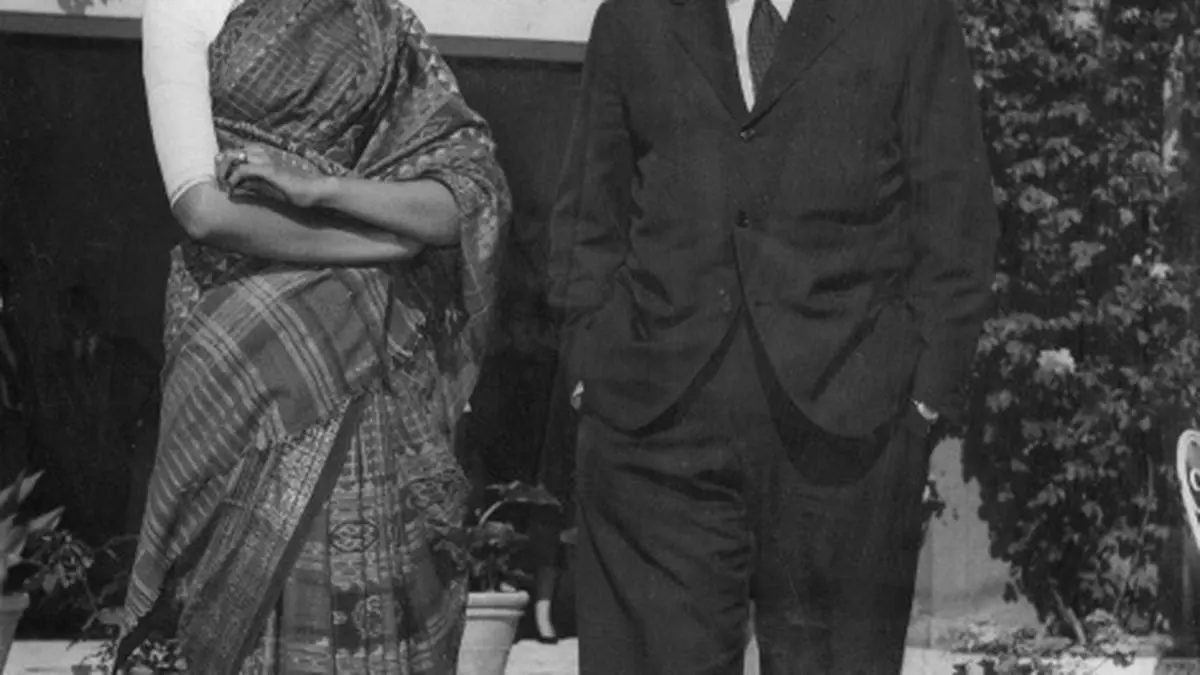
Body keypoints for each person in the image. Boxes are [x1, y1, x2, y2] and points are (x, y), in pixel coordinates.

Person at [547, 0, 999, 673]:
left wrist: (923, 399)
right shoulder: (634, 16)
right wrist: (589, 360)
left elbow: (956, 220)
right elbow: (588, 207)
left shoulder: (906, 15)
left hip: (848, 433)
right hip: (655, 429)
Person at [111, 0, 510, 672]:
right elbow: (202, 209)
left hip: (365, 355)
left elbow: (465, 202)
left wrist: (323, 189)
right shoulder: (181, 7)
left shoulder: (374, 19)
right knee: (231, 613)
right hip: (241, 353)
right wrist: (377, 247)